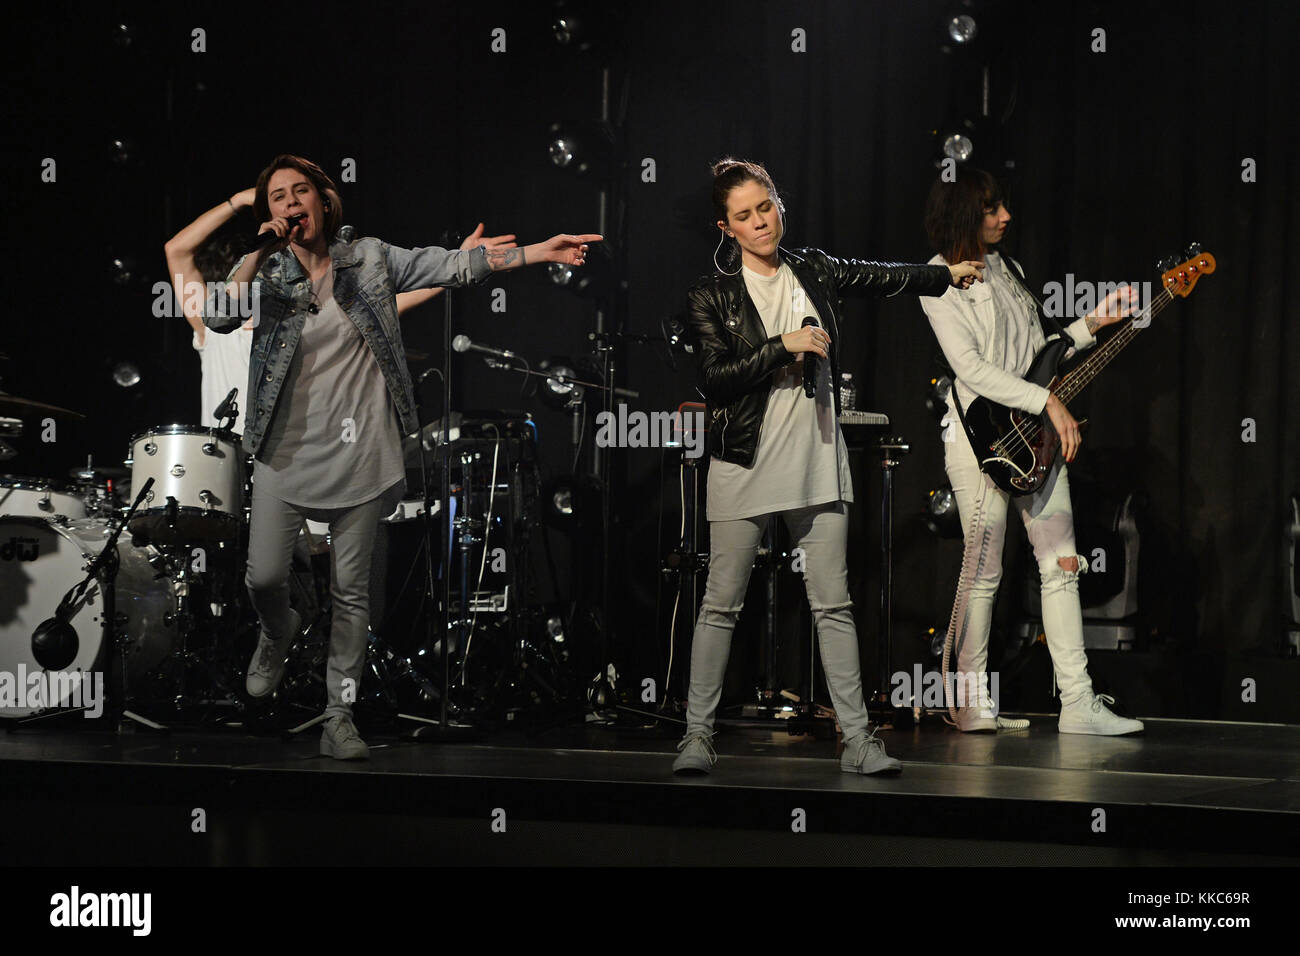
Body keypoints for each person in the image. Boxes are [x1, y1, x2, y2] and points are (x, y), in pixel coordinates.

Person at [204, 153, 599, 758]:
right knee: (264, 577)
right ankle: (277, 631)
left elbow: (454, 265)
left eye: (299, 192)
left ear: (323, 201)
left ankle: (340, 716)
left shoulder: (370, 258)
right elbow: (218, 315)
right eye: (277, 197)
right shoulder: (263, 276)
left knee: (352, 592)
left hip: (361, 452)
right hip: (284, 451)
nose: (289, 204)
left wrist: (538, 252)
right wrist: (257, 250)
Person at [675, 159, 984, 775]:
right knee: (720, 606)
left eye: (765, 207)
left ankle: (858, 741)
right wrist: (780, 347)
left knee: (834, 605)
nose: (760, 222)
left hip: (816, 463)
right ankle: (696, 737)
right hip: (744, 464)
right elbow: (714, 379)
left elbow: (877, 277)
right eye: (744, 215)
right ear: (725, 227)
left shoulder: (811, 268)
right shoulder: (711, 296)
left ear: (778, 206)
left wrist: (940, 276)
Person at [918, 166, 1144, 735]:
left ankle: (1078, 703)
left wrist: (1093, 322)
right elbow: (971, 369)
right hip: (978, 444)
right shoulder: (936, 280)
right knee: (985, 573)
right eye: (992, 209)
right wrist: (1049, 402)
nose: (1006, 217)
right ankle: (969, 701)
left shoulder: (1009, 269)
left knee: (1062, 563)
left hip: (1033, 438)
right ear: (966, 213)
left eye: (1003, 207)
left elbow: (1037, 355)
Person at [166, 191, 513, 433]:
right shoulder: (210, 324)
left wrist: (460, 261)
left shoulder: (296, 313)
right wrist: (238, 202)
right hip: (221, 463)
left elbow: (398, 296)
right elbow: (177, 250)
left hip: (286, 461)